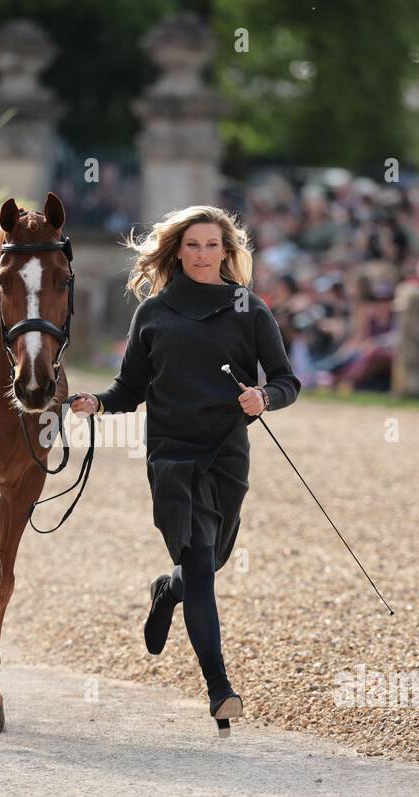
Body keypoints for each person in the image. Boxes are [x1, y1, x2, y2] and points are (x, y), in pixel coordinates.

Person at [69, 205, 301, 735]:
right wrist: (96, 404)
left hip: (226, 452)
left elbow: (288, 381)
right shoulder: (154, 312)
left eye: (212, 245)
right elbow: (129, 390)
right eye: (192, 245)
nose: (202, 255)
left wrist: (263, 397)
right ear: (177, 250)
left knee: (209, 562)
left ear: (227, 251)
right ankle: (220, 689)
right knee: (199, 561)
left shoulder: (249, 308)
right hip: (172, 453)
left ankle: (165, 592)